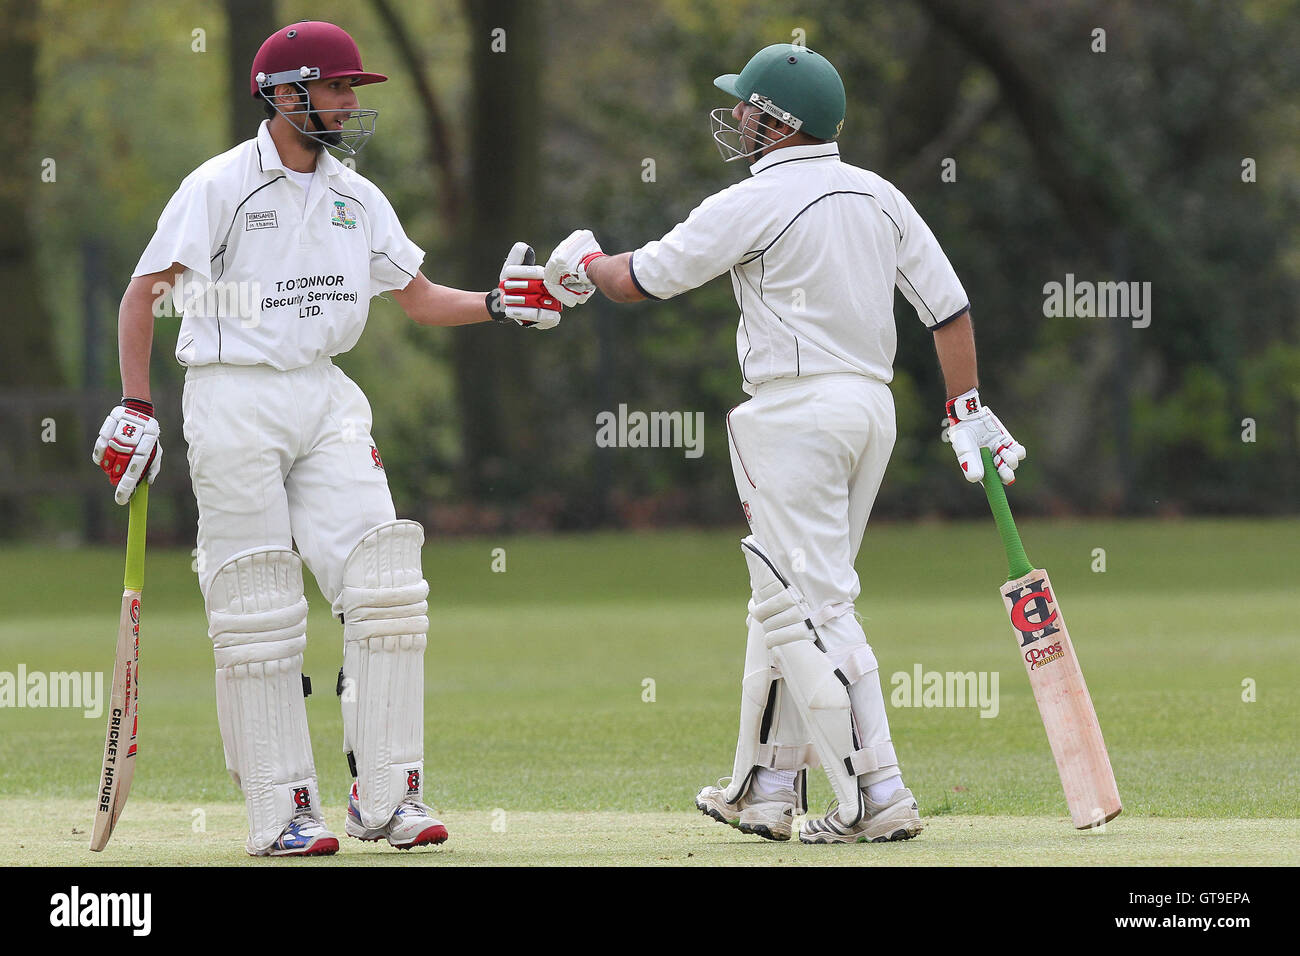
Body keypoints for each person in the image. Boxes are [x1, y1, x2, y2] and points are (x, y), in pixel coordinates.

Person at [91, 20, 561, 857]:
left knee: (386, 585)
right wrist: (136, 406)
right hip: (231, 398)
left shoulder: (356, 196)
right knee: (260, 606)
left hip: (326, 396)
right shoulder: (219, 187)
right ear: (285, 94)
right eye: (338, 88)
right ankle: (281, 811)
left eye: (352, 90)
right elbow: (142, 295)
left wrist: (498, 300)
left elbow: (416, 297)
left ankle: (387, 800)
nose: (349, 104)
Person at [544, 43, 1025, 844]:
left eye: (748, 107)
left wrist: (583, 260)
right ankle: (765, 787)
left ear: (777, 123)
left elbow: (647, 278)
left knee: (813, 604)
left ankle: (879, 794)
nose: (737, 117)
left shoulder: (755, 199)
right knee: (784, 601)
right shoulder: (879, 195)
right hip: (871, 412)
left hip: (794, 417)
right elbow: (949, 308)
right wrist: (964, 406)